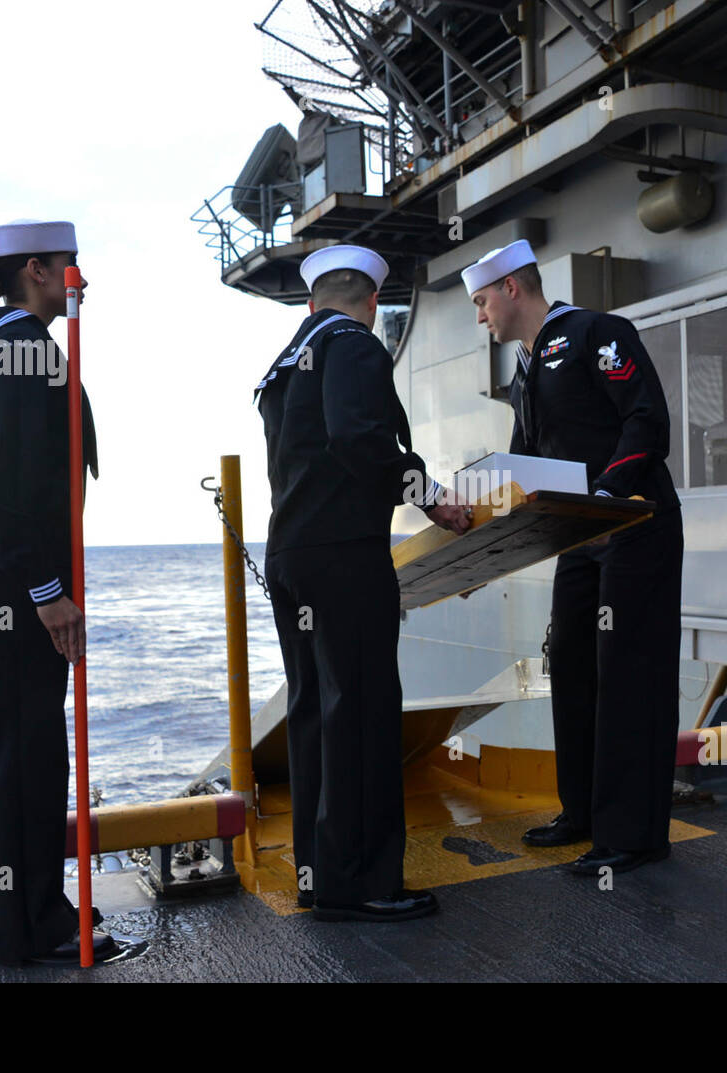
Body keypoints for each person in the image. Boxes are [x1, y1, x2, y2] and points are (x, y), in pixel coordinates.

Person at [255, 244, 470, 921]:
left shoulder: (283, 364)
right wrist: (430, 494)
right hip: (345, 556)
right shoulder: (354, 344)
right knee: (365, 712)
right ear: (372, 303)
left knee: (316, 712)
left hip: (291, 553)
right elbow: (360, 439)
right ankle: (368, 883)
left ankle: (323, 875)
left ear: (311, 299)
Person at [462, 241, 683, 876]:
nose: (481, 319)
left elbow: (646, 421)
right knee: (577, 669)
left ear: (511, 289)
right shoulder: (525, 371)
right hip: (579, 539)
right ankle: (583, 811)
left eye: (481, 302)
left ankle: (633, 835)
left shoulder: (596, 333)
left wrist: (609, 495)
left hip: (634, 526)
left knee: (629, 678)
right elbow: (519, 472)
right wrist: (481, 557)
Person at [0, 219, 110, 966]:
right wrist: (48, 590)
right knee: (22, 752)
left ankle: (41, 909)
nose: (81, 280)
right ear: (39, 270)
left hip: (12, 566)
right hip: (14, 572)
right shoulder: (21, 341)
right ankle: (25, 927)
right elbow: (11, 480)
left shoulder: (8, 336)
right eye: (72, 267)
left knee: (34, 748)